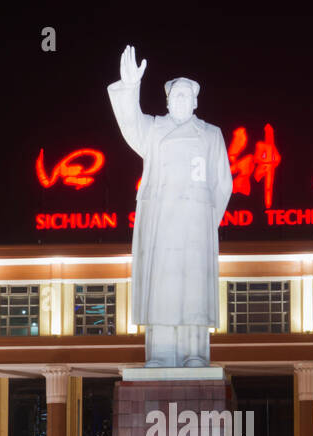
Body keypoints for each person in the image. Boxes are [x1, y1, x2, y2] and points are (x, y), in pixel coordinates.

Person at [108, 45, 232, 368]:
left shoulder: (211, 135)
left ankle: (195, 353)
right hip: (162, 224)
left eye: (185, 96)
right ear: (167, 101)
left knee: (193, 290)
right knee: (162, 287)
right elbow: (131, 123)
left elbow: (223, 183)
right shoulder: (154, 130)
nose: (180, 100)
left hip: (195, 227)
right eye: (175, 95)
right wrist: (130, 88)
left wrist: (206, 221)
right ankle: (161, 353)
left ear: (195, 101)